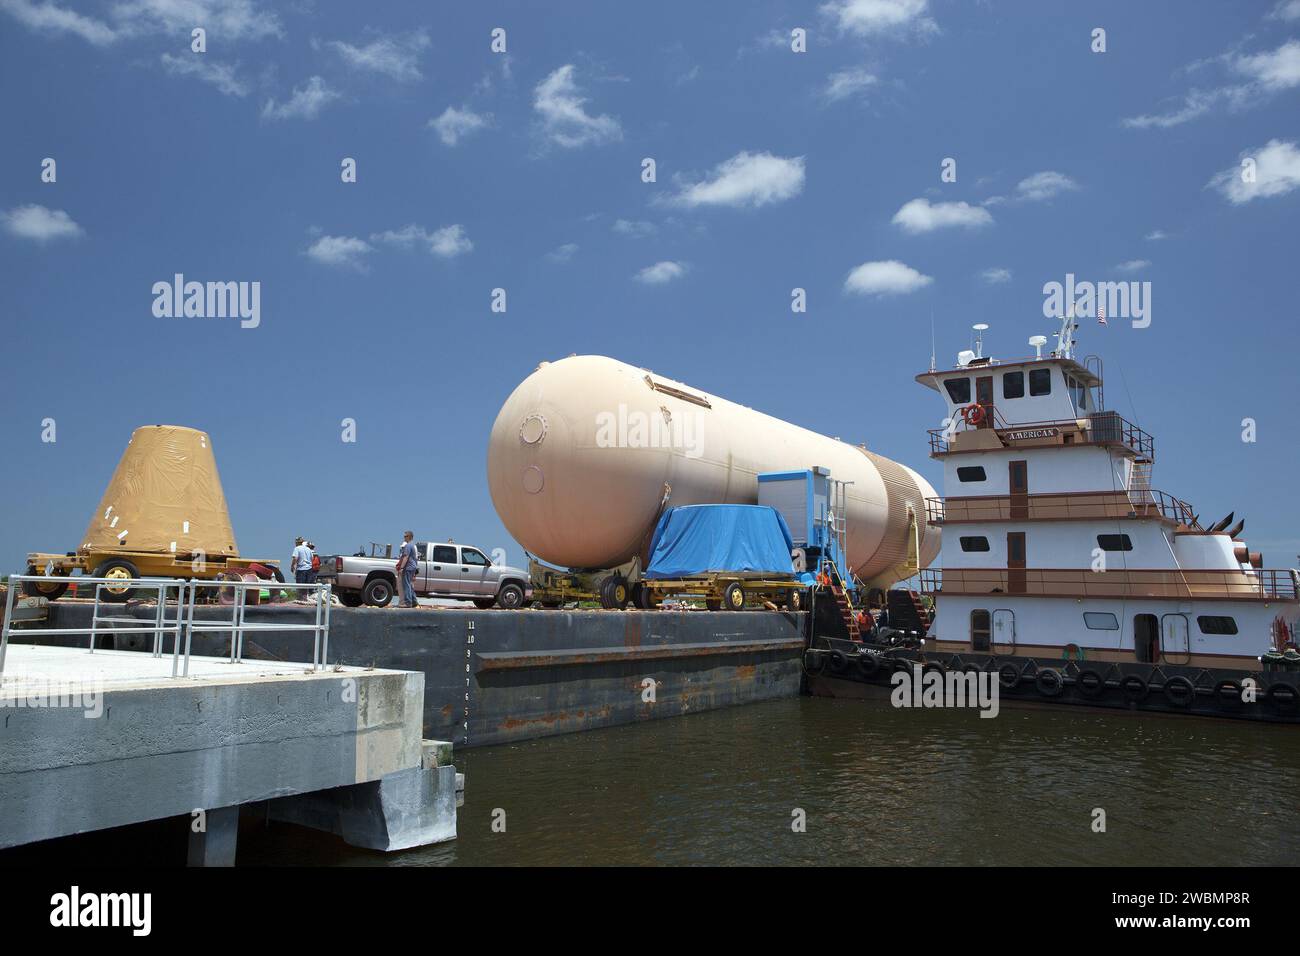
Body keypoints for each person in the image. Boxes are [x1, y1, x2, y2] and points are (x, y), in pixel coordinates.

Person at [396, 530, 419, 608]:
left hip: (408, 568)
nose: (404, 537)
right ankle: (414, 601)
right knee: (409, 584)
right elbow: (415, 558)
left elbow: (405, 557)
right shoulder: (413, 545)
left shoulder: (408, 546)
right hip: (412, 567)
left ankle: (408, 603)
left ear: (410, 537)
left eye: (405, 536)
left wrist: (402, 567)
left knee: (406, 585)